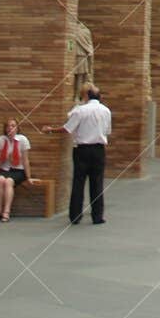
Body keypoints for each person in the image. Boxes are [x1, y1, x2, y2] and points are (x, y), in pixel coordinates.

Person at [48, 84, 111, 226]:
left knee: (78, 182)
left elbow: (67, 128)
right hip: (99, 149)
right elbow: (107, 131)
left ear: (86, 95)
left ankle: (75, 216)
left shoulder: (80, 111)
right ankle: (97, 216)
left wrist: (51, 130)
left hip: (82, 149)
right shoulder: (106, 111)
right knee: (97, 183)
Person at [0, 117, 31, 222]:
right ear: (5, 128)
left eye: (13, 126)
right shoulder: (1, 139)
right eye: (8, 126)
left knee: (8, 182)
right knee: (0, 180)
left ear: (17, 128)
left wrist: (29, 177)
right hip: (5, 169)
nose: (10, 128)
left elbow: (25, 160)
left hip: (18, 170)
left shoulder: (22, 139)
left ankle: (6, 212)